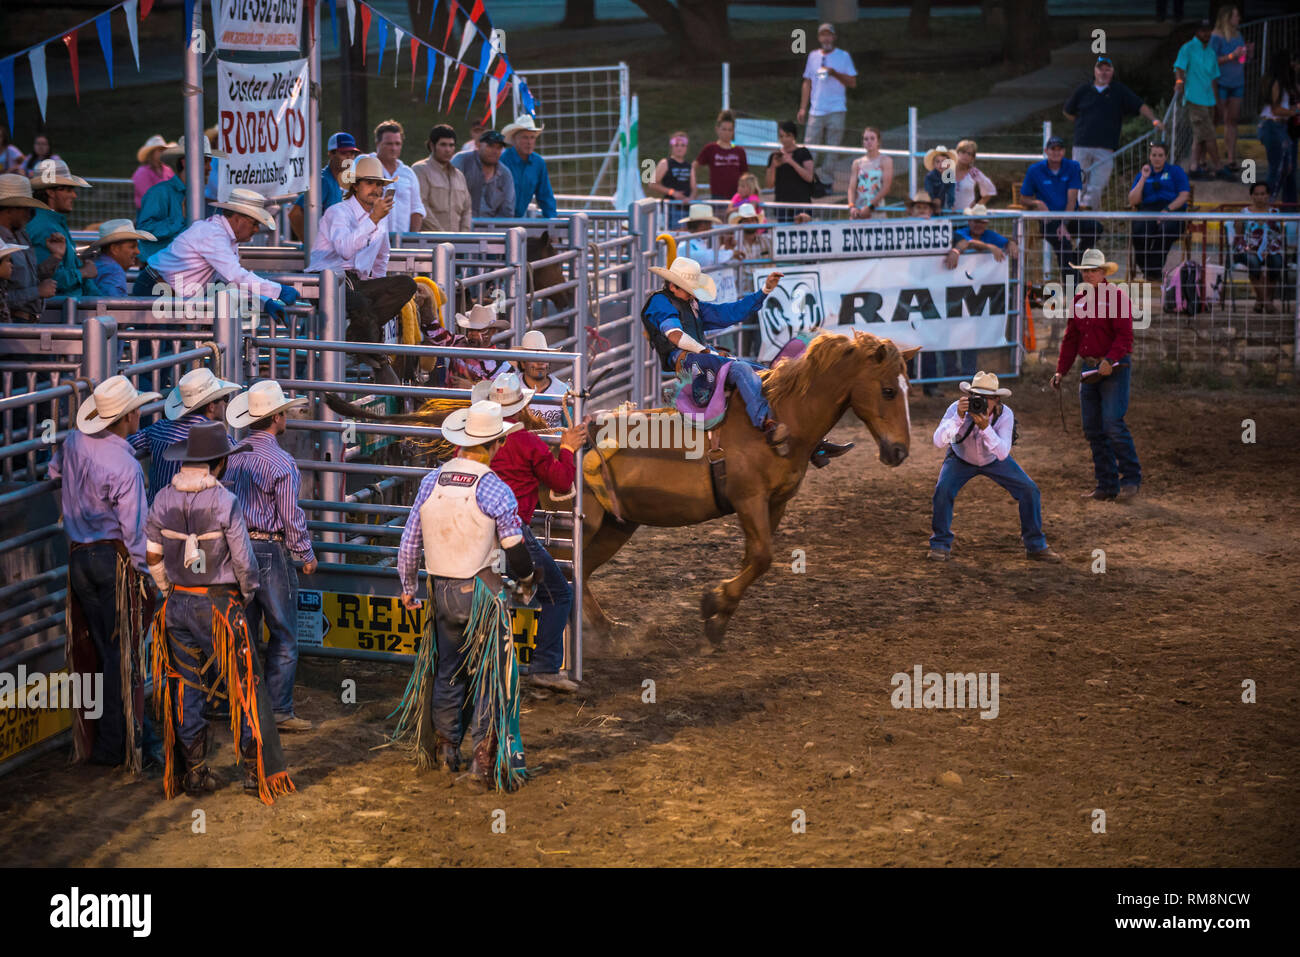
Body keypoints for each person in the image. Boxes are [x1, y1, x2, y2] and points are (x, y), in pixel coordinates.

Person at [145, 422, 296, 803]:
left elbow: (152, 554)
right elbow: (244, 560)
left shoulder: (163, 498)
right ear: (218, 462)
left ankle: (194, 772)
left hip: (177, 604)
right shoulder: (225, 502)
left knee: (185, 685)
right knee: (244, 684)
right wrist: (244, 595)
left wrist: (166, 589)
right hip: (219, 604)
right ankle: (252, 770)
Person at [395, 399, 536, 791]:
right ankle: (482, 763)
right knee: (491, 676)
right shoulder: (494, 487)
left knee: (447, 669)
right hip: (480, 593)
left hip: (440, 590)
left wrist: (408, 587)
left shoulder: (431, 481)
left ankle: (445, 750)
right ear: (495, 445)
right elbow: (514, 546)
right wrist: (527, 579)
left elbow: (409, 543)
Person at [47, 375, 161, 770]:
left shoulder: (74, 443)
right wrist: (148, 576)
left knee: (95, 648)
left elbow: (53, 473)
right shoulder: (125, 466)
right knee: (120, 654)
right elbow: (133, 531)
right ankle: (120, 743)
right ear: (127, 416)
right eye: (135, 410)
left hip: (78, 557)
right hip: (112, 561)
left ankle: (100, 740)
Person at [475, 373, 584, 692]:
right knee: (559, 593)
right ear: (521, 406)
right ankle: (545, 666)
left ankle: (473, 663)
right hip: (511, 533)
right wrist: (567, 448)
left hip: (472, 529)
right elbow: (563, 482)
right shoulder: (527, 442)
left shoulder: (473, 438)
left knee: (476, 591)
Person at [224, 380, 318, 733]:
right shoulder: (281, 461)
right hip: (271, 549)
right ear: (277, 417)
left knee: (244, 631)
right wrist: (304, 553)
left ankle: (243, 704)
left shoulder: (233, 456)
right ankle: (278, 709)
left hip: (236, 548)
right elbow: (291, 516)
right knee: (283, 631)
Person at [641, 257, 791, 453]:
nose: (692, 293)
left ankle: (799, 431)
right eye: (688, 288)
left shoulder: (691, 304)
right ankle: (766, 424)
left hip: (704, 358)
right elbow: (675, 335)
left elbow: (728, 313)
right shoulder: (660, 302)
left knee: (767, 373)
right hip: (687, 361)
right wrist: (705, 351)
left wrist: (764, 291)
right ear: (673, 286)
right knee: (741, 369)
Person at [927, 372, 1060, 563]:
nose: (980, 401)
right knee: (943, 490)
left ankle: (1036, 546)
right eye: (976, 396)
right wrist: (957, 417)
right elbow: (938, 441)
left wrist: (985, 428)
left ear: (996, 400)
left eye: (986, 398)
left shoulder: (1005, 414)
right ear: (970, 396)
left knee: (1029, 490)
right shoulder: (956, 409)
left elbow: (1003, 453)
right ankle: (939, 545)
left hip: (993, 458)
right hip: (960, 458)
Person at [1050, 248, 1141, 502]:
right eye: (1086, 271)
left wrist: (1110, 360)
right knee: (1093, 427)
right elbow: (1071, 339)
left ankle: (1130, 479)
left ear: (1103, 273)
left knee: (1112, 423)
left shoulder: (1117, 298)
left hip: (1113, 366)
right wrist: (1061, 370)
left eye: (1093, 270)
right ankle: (1107, 484)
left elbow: (1125, 336)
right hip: (1090, 367)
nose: (1089, 274)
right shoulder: (1079, 300)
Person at [136, 188, 297, 324]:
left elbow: (230, 279)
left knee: (162, 353)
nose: (256, 230)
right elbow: (234, 276)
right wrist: (277, 290)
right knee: (155, 353)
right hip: (157, 290)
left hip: (163, 290)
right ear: (238, 218)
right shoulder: (214, 234)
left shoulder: (220, 235)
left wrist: (264, 300)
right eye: (254, 223)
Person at [306, 155, 416, 352]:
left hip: (354, 282)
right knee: (361, 303)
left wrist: (380, 286)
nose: (376, 189)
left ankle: (356, 340)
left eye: (379, 184)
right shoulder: (338, 211)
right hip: (325, 281)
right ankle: (365, 348)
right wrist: (373, 219)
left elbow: (382, 258)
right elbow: (345, 250)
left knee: (407, 284)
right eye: (370, 183)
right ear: (355, 186)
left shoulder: (379, 217)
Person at [1063, 56, 1163, 209]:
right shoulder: (1083, 90)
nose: (1103, 72)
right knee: (1078, 185)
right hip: (1081, 147)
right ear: (1095, 71)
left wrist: (1154, 120)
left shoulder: (1119, 90)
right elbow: (1068, 111)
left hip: (1106, 148)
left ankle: (1088, 221)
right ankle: (1075, 221)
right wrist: (1082, 123)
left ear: (1112, 72)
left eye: (1107, 69)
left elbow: (1139, 105)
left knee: (1096, 187)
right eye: (1100, 69)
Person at [129, 366, 240, 503]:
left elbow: (126, 443)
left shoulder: (159, 429)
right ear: (211, 406)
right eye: (225, 397)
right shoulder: (221, 441)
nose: (226, 403)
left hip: (158, 513)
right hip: (200, 517)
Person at [1019, 136, 1097, 283]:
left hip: (1070, 215)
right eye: (1052, 149)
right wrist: (1037, 203)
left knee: (1095, 228)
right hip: (1048, 219)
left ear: (1064, 151)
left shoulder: (1073, 166)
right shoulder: (1035, 170)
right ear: (1046, 151)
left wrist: (1064, 224)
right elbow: (1023, 199)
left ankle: (1076, 259)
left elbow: (1072, 197)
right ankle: (1073, 289)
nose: (1056, 152)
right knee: (1064, 244)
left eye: (1059, 149)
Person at [138, 136, 224, 262]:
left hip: (176, 268)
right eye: (205, 161)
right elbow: (144, 231)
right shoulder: (160, 193)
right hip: (158, 271)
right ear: (185, 162)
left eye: (209, 162)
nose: (209, 168)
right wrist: (178, 219)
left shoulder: (195, 196)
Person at [28, 159, 100, 298]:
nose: (74, 195)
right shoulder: (44, 228)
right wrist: (83, 272)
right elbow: (50, 280)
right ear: (50, 192)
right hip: (60, 313)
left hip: (68, 309)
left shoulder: (52, 223)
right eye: (68, 190)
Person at [797, 23, 857, 185]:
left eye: (829, 35)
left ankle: (826, 181)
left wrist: (834, 73)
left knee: (832, 148)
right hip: (816, 109)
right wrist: (803, 108)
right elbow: (807, 82)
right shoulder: (813, 56)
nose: (826, 38)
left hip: (836, 108)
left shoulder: (843, 56)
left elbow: (852, 82)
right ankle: (807, 179)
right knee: (810, 147)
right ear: (819, 38)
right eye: (823, 35)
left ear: (834, 37)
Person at [1126, 141, 1189, 280]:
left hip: (1172, 208)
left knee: (1167, 229)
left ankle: (1152, 270)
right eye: (1154, 155)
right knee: (1139, 231)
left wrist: (1167, 209)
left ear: (1165, 157)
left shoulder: (1175, 171)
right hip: (1148, 209)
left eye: (1160, 155)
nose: (1157, 158)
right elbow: (1133, 201)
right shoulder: (1144, 173)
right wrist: (1143, 178)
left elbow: (1184, 195)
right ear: (1150, 156)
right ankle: (1150, 271)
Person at [0, 174, 56, 321]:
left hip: (26, 320)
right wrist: (37, 291)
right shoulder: (3, 242)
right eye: (26, 208)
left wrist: (55, 257)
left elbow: (32, 277)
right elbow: (4, 297)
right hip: (12, 320)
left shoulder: (22, 235)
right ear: (10, 210)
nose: (29, 214)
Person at [288, 131, 360, 241]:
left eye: (352, 153)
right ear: (331, 154)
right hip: (322, 254)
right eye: (344, 153)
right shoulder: (323, 181)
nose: (349, 157)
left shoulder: (338, 181)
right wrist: (310, 244)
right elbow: (295, 214)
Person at [1174, 19, 1222, 181]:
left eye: (1208, 30)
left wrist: (1217, 102)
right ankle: (1218, 166)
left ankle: (1194, 166)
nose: (1206, 33)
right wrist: (1179, 82)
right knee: (1208, 134)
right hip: (1194, 97)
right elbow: (1179, 67)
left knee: (1199, 135)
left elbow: (1214, 78)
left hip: (1209, 98)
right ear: (1196, 32)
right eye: (1203, 30)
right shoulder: (1187, 48)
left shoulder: (1211, 52)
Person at [365, 119, 425, 235]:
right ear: (377, 143)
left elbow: (416, 209)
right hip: (370, 240)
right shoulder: (365, 164)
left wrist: (411, 240)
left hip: (400, 242)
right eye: (389, 144)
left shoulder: (407, 173)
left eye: (397, 144)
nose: (394, 148)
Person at [1211, 6, 1252, 178]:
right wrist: (1231, 56)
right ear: (1227, 18)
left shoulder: (1238, 34)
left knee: (1232, 119)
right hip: (1221, 82)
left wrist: (1246, 54)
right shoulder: (1217, 36)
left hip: (1237, 81)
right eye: (1236, 15)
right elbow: (1211, 60)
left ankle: (1231, 158)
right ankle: (1212, 159)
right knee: (1217, 119)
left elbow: (1241, 59)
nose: (1239, 18)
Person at [500, 329, 570, 428]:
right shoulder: (510, 387)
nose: (540, 363)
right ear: (523, 363)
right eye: (533, 357)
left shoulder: (563, 390)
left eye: (544, 357)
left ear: (548, 362)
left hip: (555, 443)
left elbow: (571, 426)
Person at [1231, 182, 1284, 313]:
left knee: (1276, 262)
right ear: (1251, 196)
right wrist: (1238, 224)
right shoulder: (1244, 212)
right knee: (1253, 262)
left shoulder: (1275, 213)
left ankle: (1260, 301)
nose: (1260, 197)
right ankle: (1267, 302)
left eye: (1263, 194)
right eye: (1256, 194)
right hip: (1246, 250)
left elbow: (1277, 236)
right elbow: (1239, 236)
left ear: (1268, 195)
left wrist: (1267, 250)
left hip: (1269, 250)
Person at [413, 124, 472, 231]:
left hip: (458, 242)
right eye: (443, 145)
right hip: (429, 241)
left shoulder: (459, 175)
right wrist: (441, 235)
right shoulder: (420, 170)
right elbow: (421, 206)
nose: (448, 150)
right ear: (432, 146)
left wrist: (464, 236)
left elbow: (467, 210)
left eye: (451, 145)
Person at [500, 115, 556, 219]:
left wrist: (552, 222)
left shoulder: (538, 163)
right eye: (525, 137)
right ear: (514, 139)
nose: (529, 142)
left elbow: (545, 195)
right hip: (499, 218)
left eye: (532, 137)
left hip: (519, 218)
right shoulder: (503, 160)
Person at [1257, 56, 1296, 203]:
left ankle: (1272, 200)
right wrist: (1295, 112)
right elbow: (1276, 110)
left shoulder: (1277, 83)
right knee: (1277, 168)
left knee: (1286, 167)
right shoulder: (1276, 83)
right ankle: (1265, 203)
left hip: (1279, 127)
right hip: (1273, 127)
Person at [452, 129, 515, 218]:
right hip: (459, 225)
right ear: (478, 145)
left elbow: (507, 211)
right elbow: (448, 196)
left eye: (499, 147)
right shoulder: (462, 161)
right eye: (490, 146)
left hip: (492, 228)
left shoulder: (505, 174)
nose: (495, 151)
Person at [86, 219, 155, 296]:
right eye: (132, 247)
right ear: (115, 249)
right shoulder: (113, 270)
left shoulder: (99, 264)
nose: (137, 252)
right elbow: (115, 305)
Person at [694, 110, 748, 202]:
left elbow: (746, 175)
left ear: (733, 131)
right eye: (724, 129)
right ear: (717, 129)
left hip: (737, 197)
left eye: (730, 130)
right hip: (717, 197)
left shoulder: (739, 151)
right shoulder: (711, 148)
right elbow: (694, 167)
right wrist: (693, 186)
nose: (727, 133)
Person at [765, 122, 814, 222]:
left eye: (788, 136)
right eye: (781, 136)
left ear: (794, 136)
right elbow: (769, 185)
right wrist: (774, 166)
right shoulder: (775, 156)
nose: (784, 139)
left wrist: (791, 162)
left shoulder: (803, 153)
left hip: (801, 204)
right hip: (782, 204)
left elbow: (809, 177)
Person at [944, 205, 1018, 267]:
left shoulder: (988, 234)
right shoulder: (960, 232)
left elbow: (1006, 242)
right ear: (969, 221)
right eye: (976, 221)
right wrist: (989, 246)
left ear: (986, 224)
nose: (979, 225)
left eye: (982, 222)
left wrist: (1011, 243)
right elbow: (968, 243)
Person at [849, 127, 893, 219]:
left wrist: (869, 206)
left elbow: (886, 187)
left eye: (872, 138)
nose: (869, 141)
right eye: (866, 139)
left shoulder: (886, 161)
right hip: (859, 209)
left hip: (877, 209)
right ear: (863, 142)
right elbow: (851, 188)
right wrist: (852, 207)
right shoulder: (857, 163)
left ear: (878, 141)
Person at [651, 131, 696, 222]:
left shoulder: (689, 166)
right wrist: (672, 192)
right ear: (672, 147)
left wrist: (690, 198)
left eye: (683, 145)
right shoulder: (665, 163)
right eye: (676, 145)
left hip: (686, 208)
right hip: (671, 208)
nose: (679, 148)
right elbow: (652, 184)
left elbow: (694, 188)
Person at [676, 202, 733, 267]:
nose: (711, 227)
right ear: (702, 225)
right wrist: (730, 253)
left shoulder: (694, 242)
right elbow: (706, 258)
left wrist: (727, 250)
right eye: (709, 224)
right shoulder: (686, 244)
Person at [131, 135, 177, 210]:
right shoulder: (142, 172)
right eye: (160, 150)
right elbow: (148, 196)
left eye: (164, 150)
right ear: (151, 153)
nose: (163, 152)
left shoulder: (167, 170)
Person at [951, 140, 998, 213]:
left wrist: (977, 207)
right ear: (957, 153)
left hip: (966, 217)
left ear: (973, 158)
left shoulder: (974, 173)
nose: (966, 156)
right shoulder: (946, 170)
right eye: (963, 152)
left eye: (969, 154)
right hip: (946, 216)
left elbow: (990, 190)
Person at [922, 145, 959, 213]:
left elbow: (951, 192)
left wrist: (951, 204)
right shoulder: (930, 176)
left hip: (944, 206)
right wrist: (934, 204)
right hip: (930, 206)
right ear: (934, 164)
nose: (941, 164)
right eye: (937, 162)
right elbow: (928, 192)